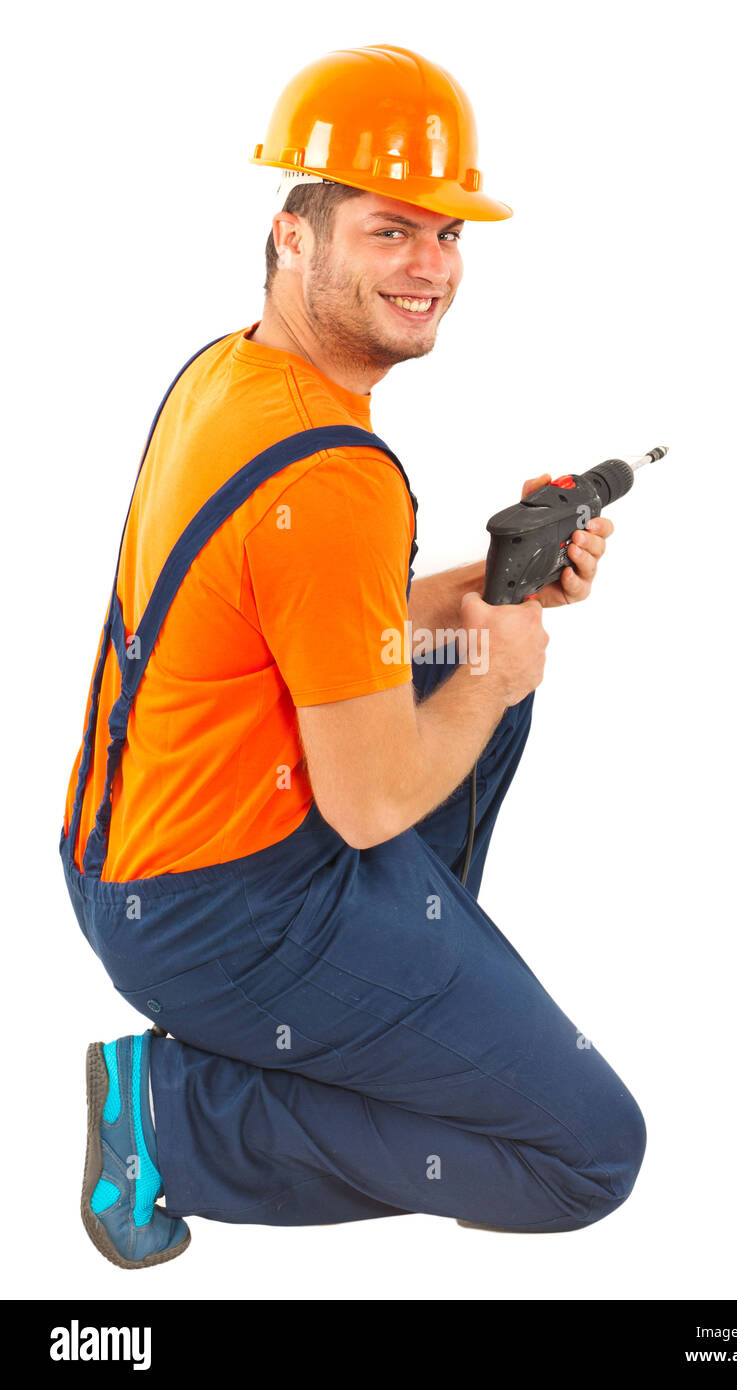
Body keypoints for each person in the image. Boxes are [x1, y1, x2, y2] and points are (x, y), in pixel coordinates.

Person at [61, 44, 645, 1269]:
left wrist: (488, 590)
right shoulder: (334, 478)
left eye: (447, 233)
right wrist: (496, 665)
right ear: (295, 232)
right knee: (585, 1155)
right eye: (391, 230)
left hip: (129, 856)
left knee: (472, 663)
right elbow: (372, 801)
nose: (431, 267)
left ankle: (372, 999)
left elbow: (318, 623)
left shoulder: (232, 375)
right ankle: (172, 1115)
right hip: (215, 913)